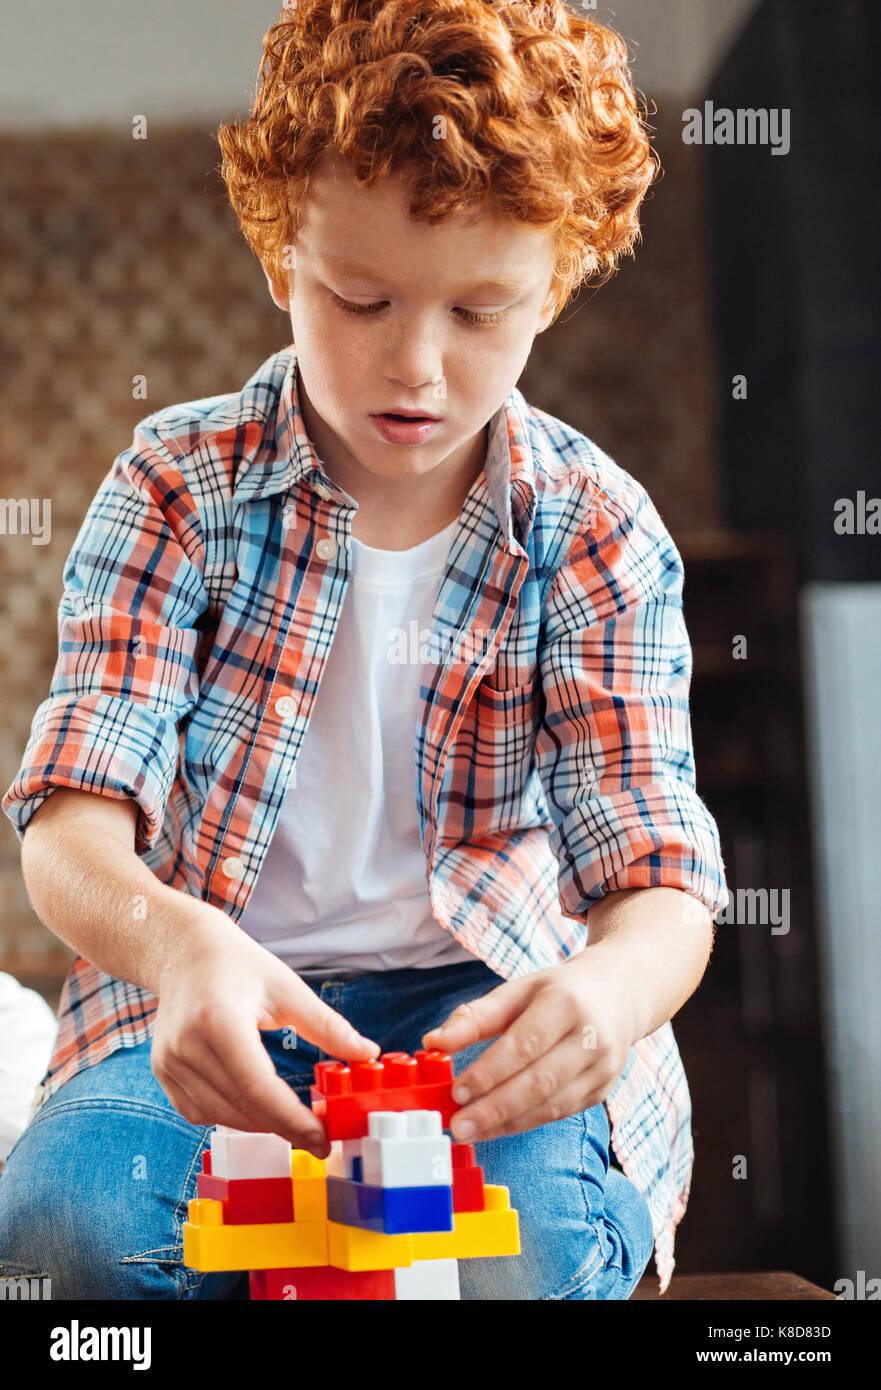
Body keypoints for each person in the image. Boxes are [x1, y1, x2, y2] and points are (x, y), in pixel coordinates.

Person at [0, 0, 728, 1300]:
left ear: (554, 282)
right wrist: (176, 949)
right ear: (280, 247)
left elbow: (659, 882)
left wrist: (611, 995)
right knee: (65, 1249)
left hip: (482, 1013)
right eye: (360, 297)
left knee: (521, 1265)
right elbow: (68, 832)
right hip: (210, 1003)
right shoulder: (177, 485)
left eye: (479, 310)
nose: (416, 365)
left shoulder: (591, 526)